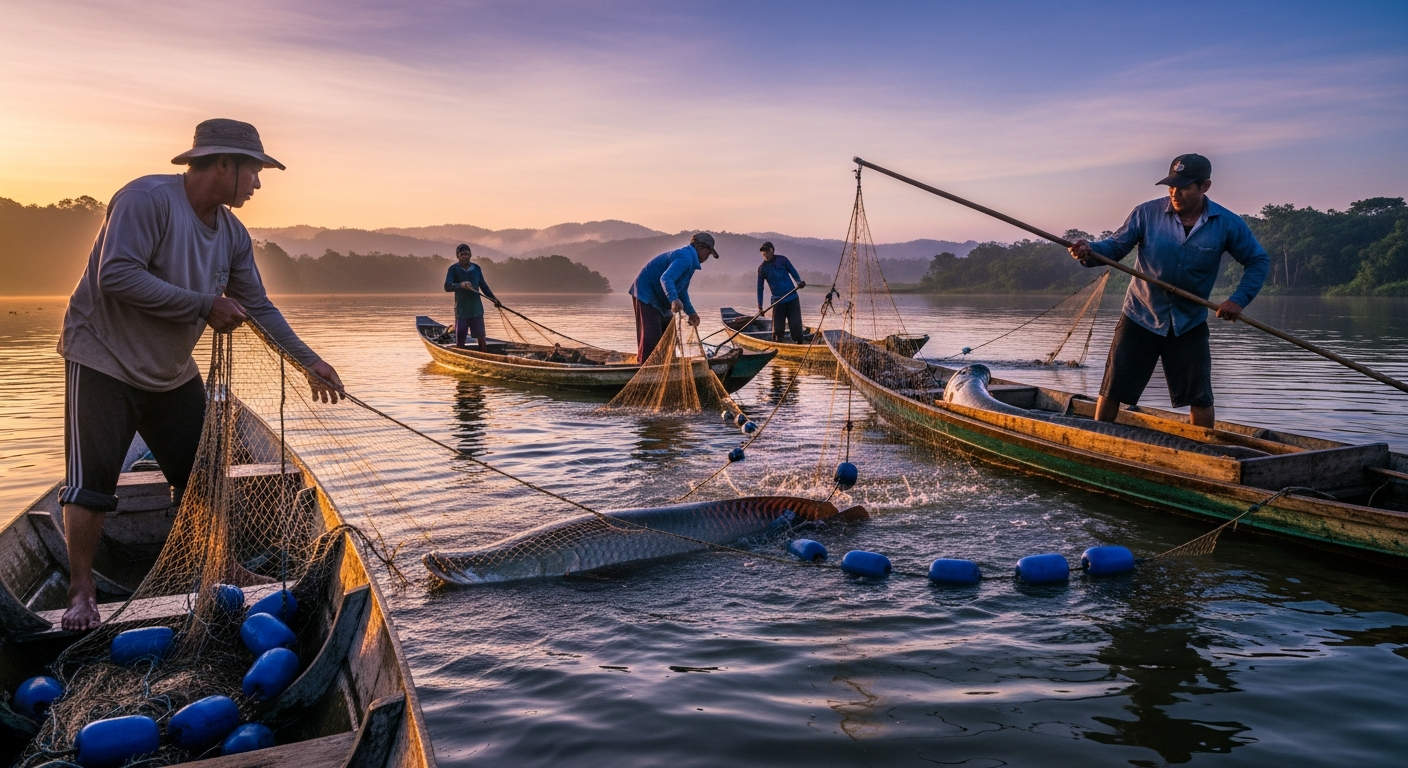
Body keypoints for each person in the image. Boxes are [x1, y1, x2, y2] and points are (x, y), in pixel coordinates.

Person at [56, 118, 344, 631]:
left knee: (205, 473)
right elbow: (117, 275)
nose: (257, 184)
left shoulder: (232, 233)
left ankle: (223, 566)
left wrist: (310, 363)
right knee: (91, 483)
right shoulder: (146, 200)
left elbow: (257, 305)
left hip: (169, 370)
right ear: (224, 164)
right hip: (102, 358)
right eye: (254, 172)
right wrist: (204, 303)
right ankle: (82, 589)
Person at [1068, 153, 1269, 428]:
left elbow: (1258, 261)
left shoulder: (1227, 224)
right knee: (1113, 388)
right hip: (1140, 314)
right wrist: (1088, 251)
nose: (1175, 193)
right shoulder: (1146, 214)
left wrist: (1238, 299)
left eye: (1184, 187)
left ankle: (1204, 453)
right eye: (1171, 186)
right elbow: (1114, 248)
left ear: (1205, 187)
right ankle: (1097, 440)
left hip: (1189, 321)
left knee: (1199, 396)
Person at [628, 232, 719, 362]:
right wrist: (674, 299)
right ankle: (646, 366)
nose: (707, 257)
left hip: (661, 298)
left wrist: (691, 312)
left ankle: (665, 364)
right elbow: (666, 278)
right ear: (701, 247)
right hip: (647, 292)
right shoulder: (685, 258)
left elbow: (682, 291)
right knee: (651, 336)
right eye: (708, 253)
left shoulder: (690, 262)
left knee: (669, 334)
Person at [444, 244, 500, 351]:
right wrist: (460, 285)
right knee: (460, 340)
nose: (465, 256)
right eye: (462, 254)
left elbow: (483, 286)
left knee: (481, 339)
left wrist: (494, 299)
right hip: (462, 310)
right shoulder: (453, 269)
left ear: (470, 255)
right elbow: (447, 286)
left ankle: (484, 355)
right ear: (458, 256)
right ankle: (460, 357)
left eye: (467, 254)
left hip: (476, 309)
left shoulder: (476, 269)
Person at [756, 241, 806, 343]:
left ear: (772, 251)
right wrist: (760, 306)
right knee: (778, 331)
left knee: (796, 327)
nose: (764, 253)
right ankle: (778, 345)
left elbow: (793, 271)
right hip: (777, 301)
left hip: (792, 298)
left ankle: (800, 343)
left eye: (766, 250)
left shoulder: (782, 260)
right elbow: (759, 287)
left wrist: (799, 282)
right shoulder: (762, 269)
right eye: (762, 251)